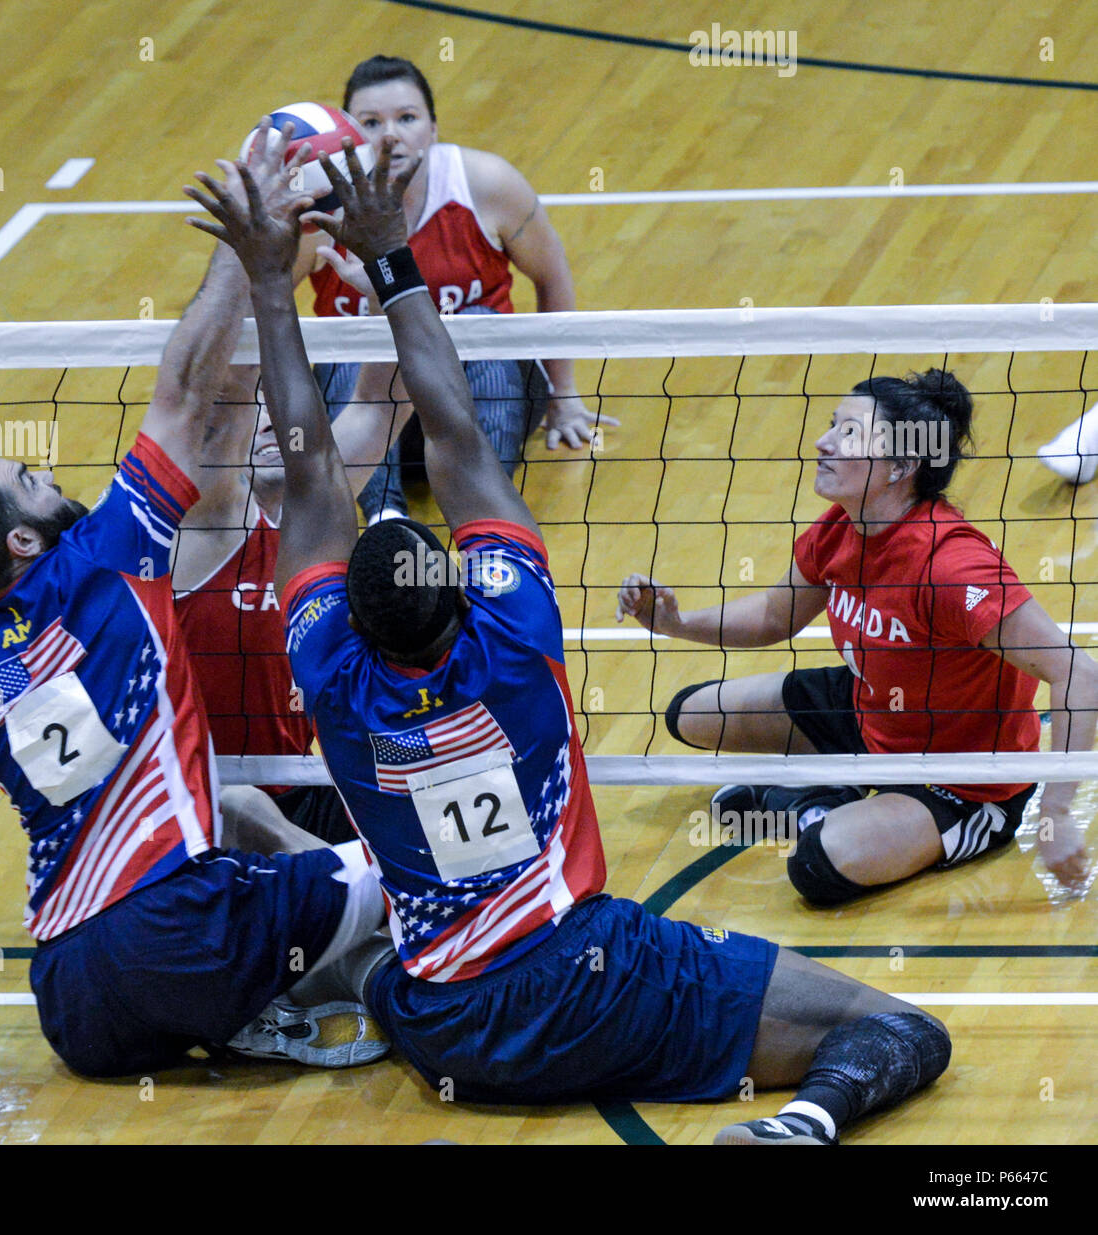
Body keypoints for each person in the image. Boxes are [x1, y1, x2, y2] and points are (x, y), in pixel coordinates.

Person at [194, 127, 954, 1145]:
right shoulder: (512, 633)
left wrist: (267, 282)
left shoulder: (327, 667)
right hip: (586, 980)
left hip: (444, 1022)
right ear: (464, 591)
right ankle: (803, 1125)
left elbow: (306, 470)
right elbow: (455, 433)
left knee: (396, 972)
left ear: (340, 610)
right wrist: (391, 256)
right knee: (900, 1028)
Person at [0, 129, 391, 1078]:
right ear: (23, 541)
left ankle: (237, 1009)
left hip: (75, 1005)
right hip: (185, 932)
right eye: (32, 477)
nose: (49, 474)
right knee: (411, 862)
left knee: (236, 841)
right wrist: (242, 250)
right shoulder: (112, 551)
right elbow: (188, 384)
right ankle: (390, 986)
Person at [619, 373, 1096, 905]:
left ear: (900, 466)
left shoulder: (953, 568)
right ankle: (836, 792)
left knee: (818, 867)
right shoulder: (842, 527)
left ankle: (819, 804)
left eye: (848, 433)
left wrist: (1056, 811)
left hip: (962, 779)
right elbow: (775, 617)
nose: (824, 442)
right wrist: (675, 623)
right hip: (873, 711)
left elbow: (1078, 673)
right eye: (831, 426)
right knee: (693, 714)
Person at [296, 54, 618, 524]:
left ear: (433, 128)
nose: (391, 134)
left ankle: (487, 508)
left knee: (474, 324)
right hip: (368, 419)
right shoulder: (323, 212)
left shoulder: (488, 184)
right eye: (370, 122)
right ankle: (385, 518)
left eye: (407, 118)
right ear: (348, 137)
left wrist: (563, 393)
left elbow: (552, 276)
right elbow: (265, 308)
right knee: (359, 335)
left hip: (486, 401)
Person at [173, 318, 413, 848]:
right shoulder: (203, 521)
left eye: (280, 409)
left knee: (437, 801)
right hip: (199, 803)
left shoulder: (318, 512)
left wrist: (380, 288)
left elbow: (383, 401)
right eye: (254, 409)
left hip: (297, 786)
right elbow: (218, 397)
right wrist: (262, 281)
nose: (268, 424)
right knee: (253, 818)